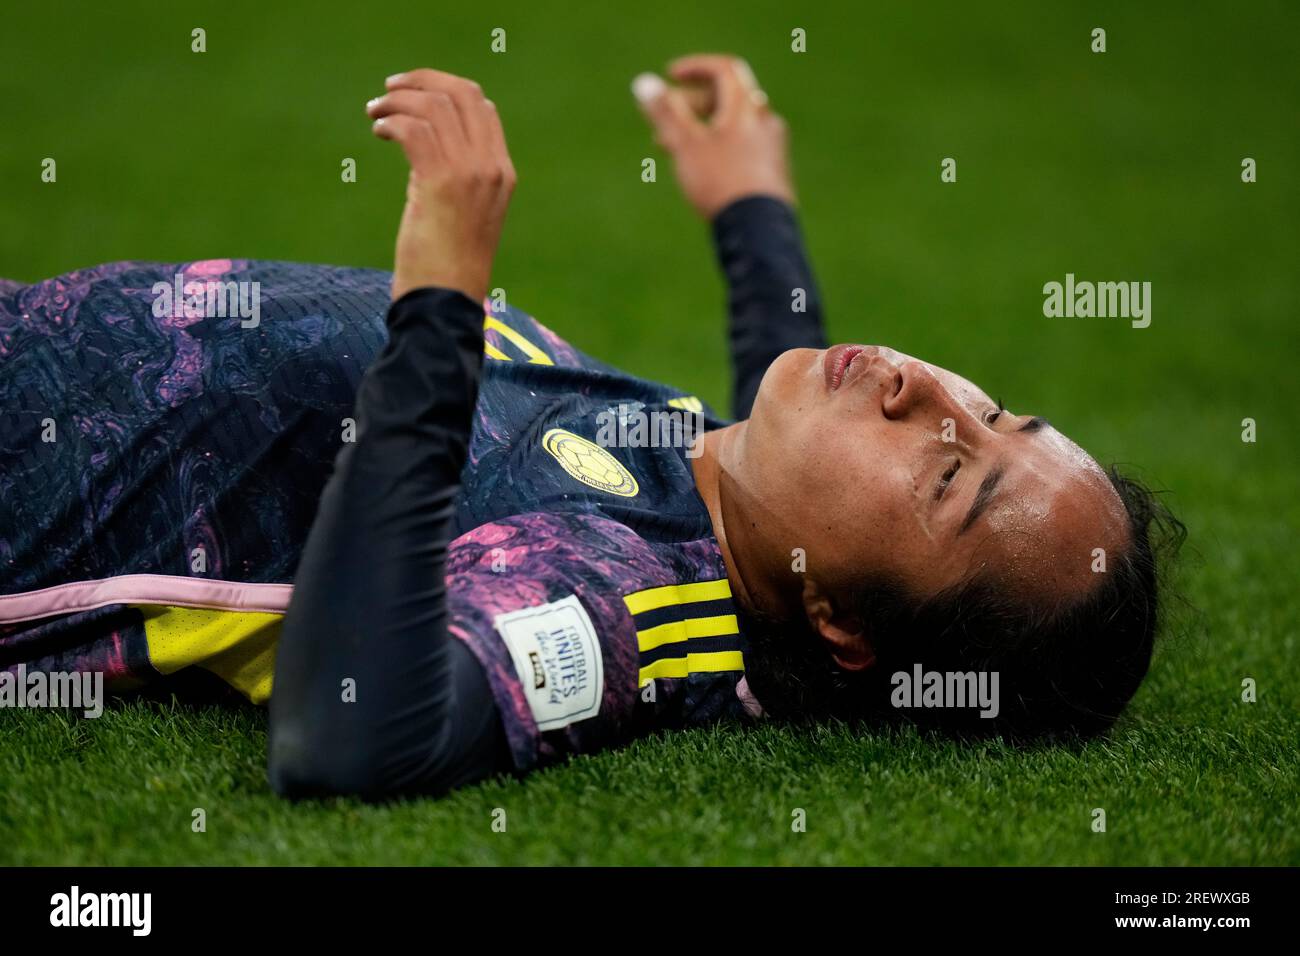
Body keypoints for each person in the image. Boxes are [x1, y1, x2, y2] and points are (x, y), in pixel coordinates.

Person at [0, 58, 1181, 801]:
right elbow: (783, 443)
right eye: (986, 407)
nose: (919, 390)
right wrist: (751, 207)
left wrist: (441, 306)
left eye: (947, 473)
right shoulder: (730, 495)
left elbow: (350, 735)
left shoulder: (629, 592)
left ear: (839, 624)